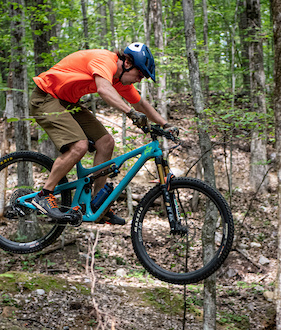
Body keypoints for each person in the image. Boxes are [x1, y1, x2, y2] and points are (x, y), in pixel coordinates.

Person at [29, 43, 178, 224]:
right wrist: (130, 113)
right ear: (128, 63)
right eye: (139, 74)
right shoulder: (105, 60)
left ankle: (97, 204)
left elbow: (140, 104)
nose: (139, 80)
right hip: (45, 96)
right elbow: (103, 89)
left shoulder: (119, 79)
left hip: (67, 102)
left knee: (106, 142)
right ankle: (45, 194)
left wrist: (166, 124)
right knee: (79, 146)